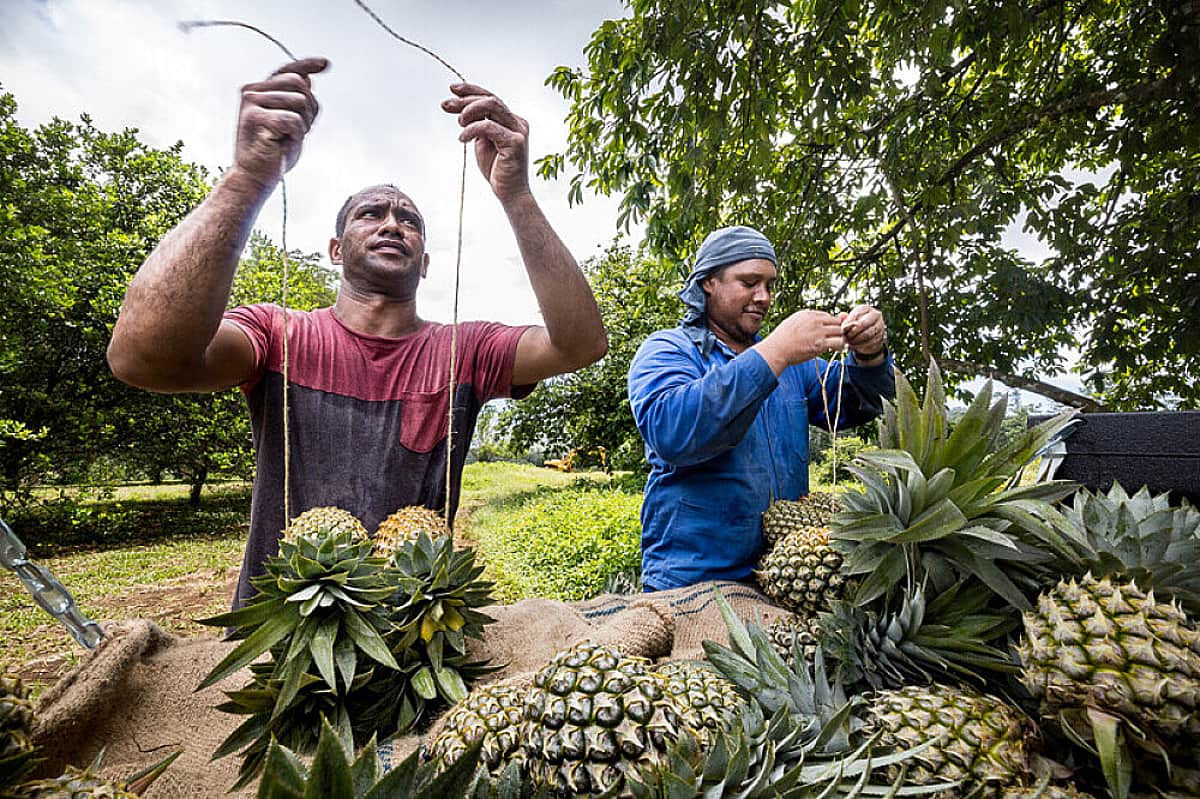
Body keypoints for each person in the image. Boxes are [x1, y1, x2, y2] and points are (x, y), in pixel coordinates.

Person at [107, 58, 607, 608]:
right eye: (372, 214)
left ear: (425, 264)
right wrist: (248, 177)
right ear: (337, 250)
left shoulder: (464, 350)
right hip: (287, 630)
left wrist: (516, 194)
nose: (393, 223)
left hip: (418, 630)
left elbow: (579, 344)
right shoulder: (278, 335)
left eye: (409, 220)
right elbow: (142, 359)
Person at [627, 225, 894, 592]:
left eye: (769, 285)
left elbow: (857, 402)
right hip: (692, 580)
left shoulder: (791, 365)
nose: (764, 297)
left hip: (785, 575)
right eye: (750, 282)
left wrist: (870, 352)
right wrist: (776, 351)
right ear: (708, 282)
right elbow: (673, 431)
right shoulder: (668, 350)